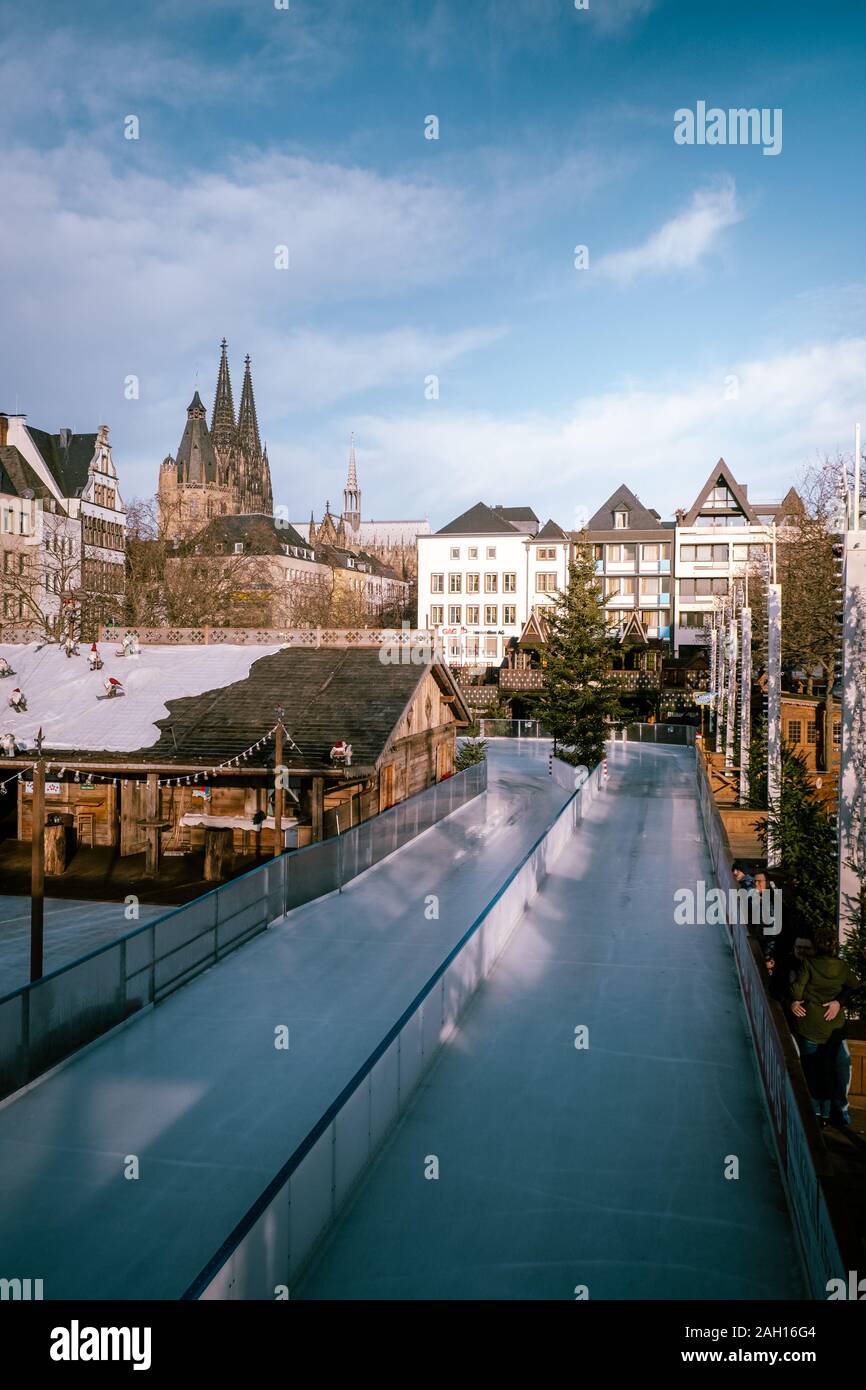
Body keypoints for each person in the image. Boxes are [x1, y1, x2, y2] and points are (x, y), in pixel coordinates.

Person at [790, 927, 858, 1127]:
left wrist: (796, 999)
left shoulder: (808, 965)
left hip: (811, 1025)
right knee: (829, 1069)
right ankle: (829, 1112)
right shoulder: (842, 967)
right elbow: (854, 985)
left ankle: (817, 1112)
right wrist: (838, 1000)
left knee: (812, 1069)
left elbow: (797, 990)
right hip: (832, 1026)